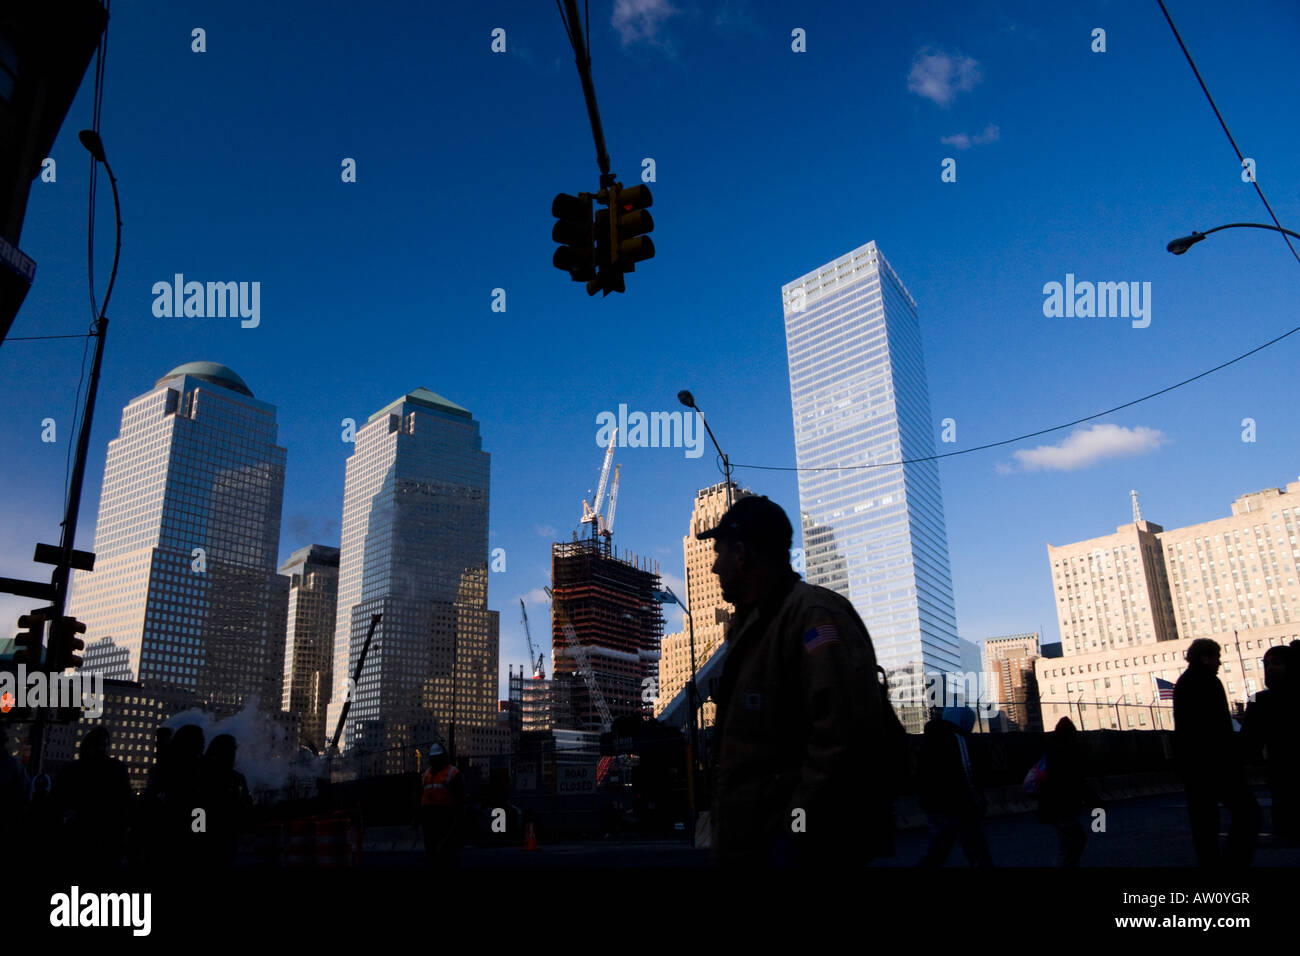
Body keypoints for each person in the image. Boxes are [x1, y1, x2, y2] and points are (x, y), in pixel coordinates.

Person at [701, 494, 893, 867]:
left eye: (718, 553)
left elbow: (841, 737)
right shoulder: (754, 627)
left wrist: (795, 834)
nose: (713, 567)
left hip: (805, 852)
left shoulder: (813, 618)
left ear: (741, 553)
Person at [1174, 638, 1260, 867]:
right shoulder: (1208, 682)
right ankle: (1233, 862)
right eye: (1217, 657)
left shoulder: (1184, 683)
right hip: (1217, 763)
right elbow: (1218, 726)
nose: (1220, 662)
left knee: (1204, 824)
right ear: (1205, 657)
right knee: (1248, 813)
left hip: (1194, 765)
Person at [916, 706, 992, 867]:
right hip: (958, 806)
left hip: (932, 805)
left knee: (937, 851)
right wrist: (977, 798)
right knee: (978, 852)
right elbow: (967, 771)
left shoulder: (929, 738)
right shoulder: (958, 740)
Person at [1243, 645, 1299, 843]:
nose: (1269, 669)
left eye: (1276, 663)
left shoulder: (1259, 700)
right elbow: (1250, 741)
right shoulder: (1258, 700)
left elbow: (1250, 742)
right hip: (1280, 769)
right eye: (1266, 664)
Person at [54, 727, 132, 869]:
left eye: (103, 745)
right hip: (106, 841)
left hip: (81, 841)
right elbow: (126, 806)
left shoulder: (71, 771)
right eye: (99, 745)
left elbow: (56, 803)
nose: (102, 750)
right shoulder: (117, 770)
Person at [1034, 717, 1100, 866]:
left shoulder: (1050, 751)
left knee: (1070, 842)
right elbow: (1077, 782)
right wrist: (1095, 802)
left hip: (1052, 806)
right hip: (1062, 807)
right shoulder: (1067, 754)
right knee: (1072, 842)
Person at [200, 734, 251, 867]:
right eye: (228, 750)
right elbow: (198, 808)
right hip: (209, 842)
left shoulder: (238, 779)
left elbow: (246, 808)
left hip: (229, 839)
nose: (232, 755)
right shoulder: (202, 777)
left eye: (233, 750)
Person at [419, 743, 464, 866]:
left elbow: (459, 799)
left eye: (437, 758)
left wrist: (457, 819)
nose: (435, 761)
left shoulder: (452, 773)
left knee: (447, 855)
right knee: (433, 854)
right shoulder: (426, 775)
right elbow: (419, 795)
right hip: (429, 821)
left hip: (446, 820)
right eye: (433, 758)